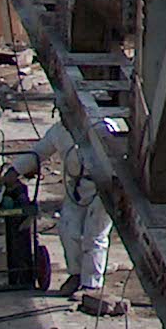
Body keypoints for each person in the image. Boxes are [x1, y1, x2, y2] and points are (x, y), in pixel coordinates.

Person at [12, 104, 109, 294]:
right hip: (76, 189)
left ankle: (91, 284)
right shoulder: (59, 132)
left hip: (100, 189)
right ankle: (75, 274)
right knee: (68, 229)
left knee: (94, 236)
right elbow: (38, 152)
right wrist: (14, 170)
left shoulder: (103, 128)